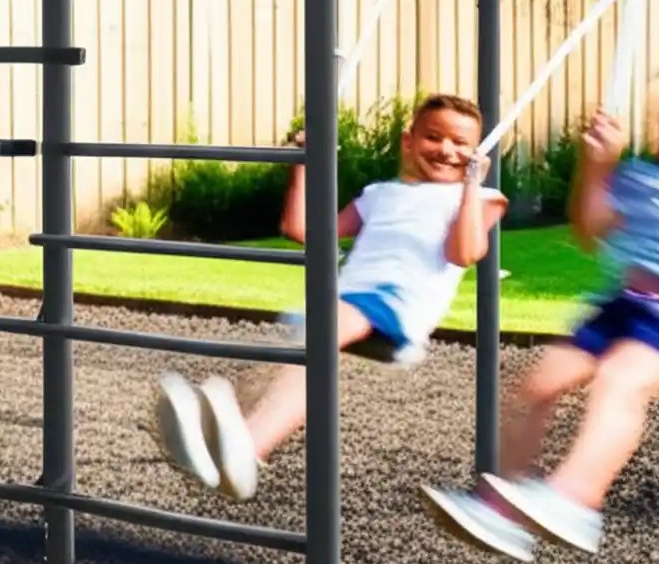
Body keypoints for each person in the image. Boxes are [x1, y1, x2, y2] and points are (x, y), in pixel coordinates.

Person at [421, 62, 659, 562]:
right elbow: (589, 227)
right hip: (619, 305)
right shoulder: (640, 174)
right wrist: (597, 165)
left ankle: (577, 498)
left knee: (619, 381)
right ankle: (497, 508)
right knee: (535, 384)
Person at [151, 94, 509, 501]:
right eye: (434, 137)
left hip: (396, 310)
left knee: (317, 336)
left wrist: (472, 185)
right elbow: (305, 230)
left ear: (476, 152)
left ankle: (248, 447)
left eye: (460, 143)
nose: (447, 149)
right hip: (348, 300)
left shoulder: (481, 199)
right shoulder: (379, 195)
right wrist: (305, 163)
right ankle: (220, 435)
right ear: (408, 142)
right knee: (297, 355)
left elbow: (463, 252)